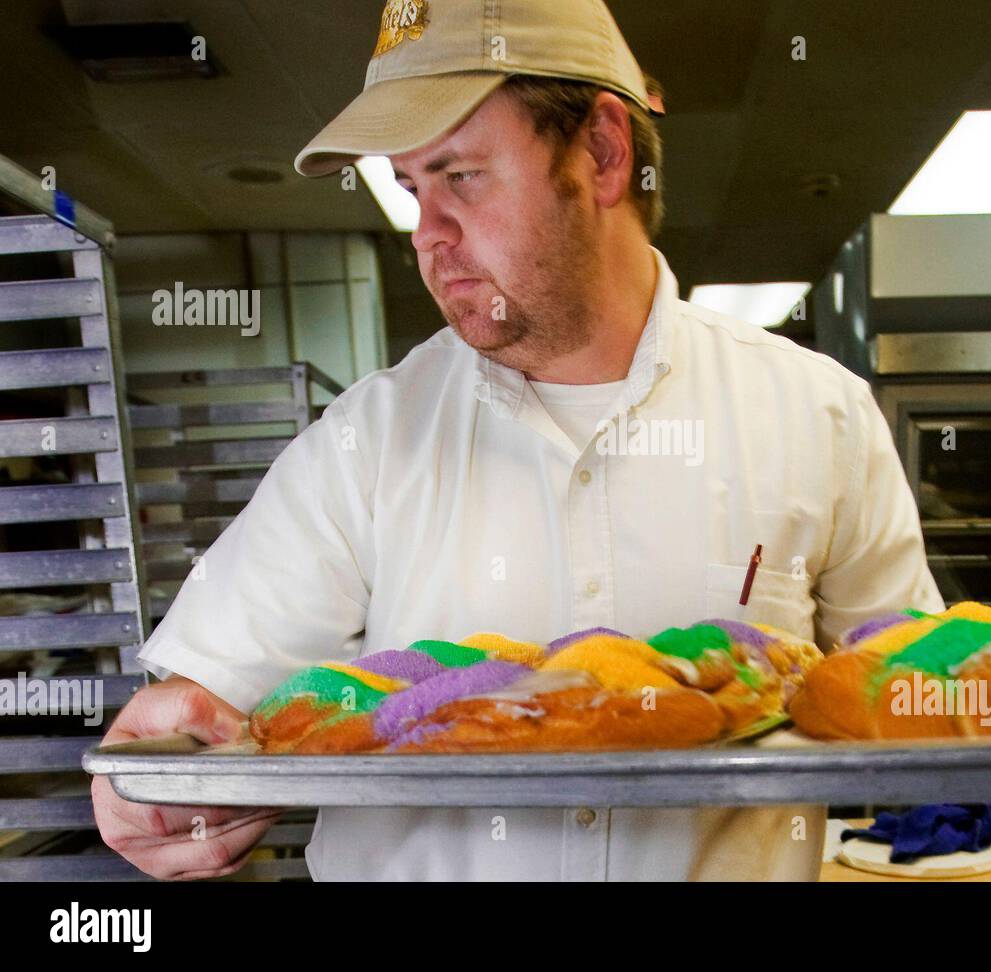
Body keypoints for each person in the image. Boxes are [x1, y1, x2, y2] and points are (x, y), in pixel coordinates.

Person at [92, 0, 941, 881]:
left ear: (603, 153)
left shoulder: (820, 416)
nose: (428, 236)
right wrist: (158, 777)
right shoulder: (362, 447)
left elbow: (921, 699)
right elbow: (199, 713)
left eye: (460, 176)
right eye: (411, 189)